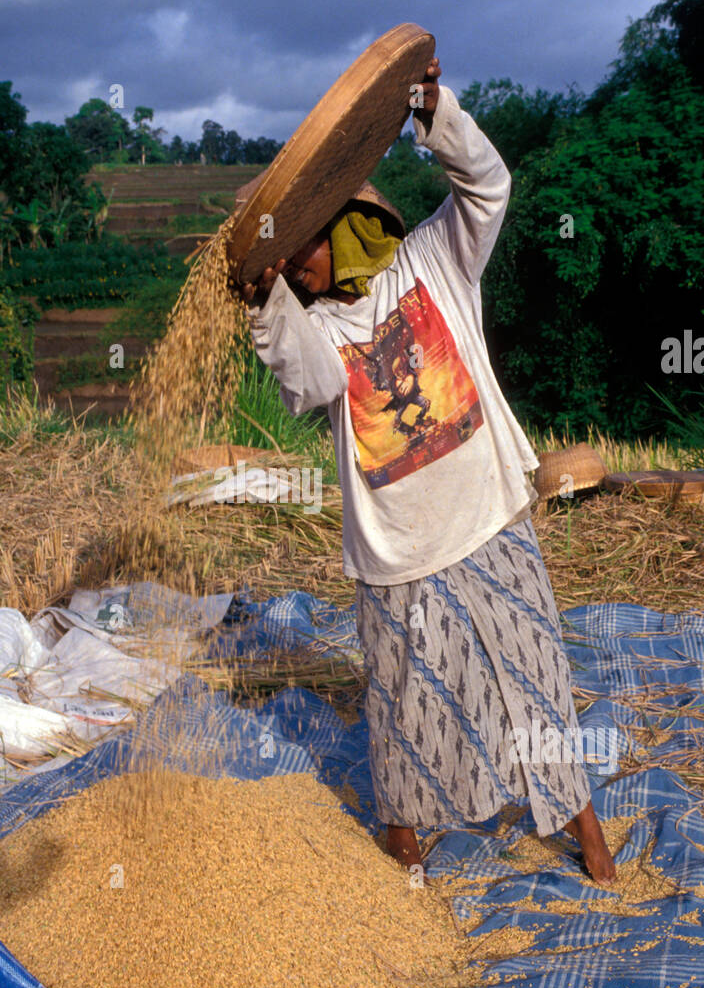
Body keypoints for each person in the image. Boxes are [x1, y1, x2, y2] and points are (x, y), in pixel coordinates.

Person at [238, 54, 616, 886]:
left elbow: (488, 186)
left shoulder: (434, 258)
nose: (299, 260)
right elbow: (307, 384)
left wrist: (434, 112)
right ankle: (404, 843)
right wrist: (267, 302)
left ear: (346, 225)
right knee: (405, 701)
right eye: (288, 250)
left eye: (305, 240)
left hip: (486, 520)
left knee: (536, 677)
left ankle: (587, 831)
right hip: (398, 551)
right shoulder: (322, 328)